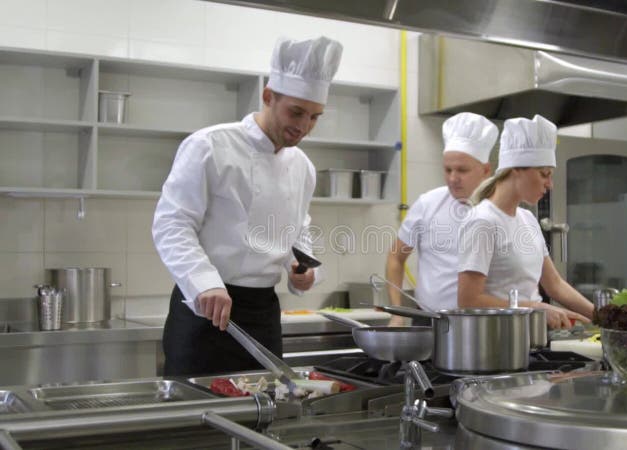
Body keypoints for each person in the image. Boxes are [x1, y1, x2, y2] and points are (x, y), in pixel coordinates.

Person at [152, 36, 343, 376]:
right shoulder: (209, 145)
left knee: (264, 413)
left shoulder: (303, 167)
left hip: (263, 314)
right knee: (196, 419)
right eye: (296, 112)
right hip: (205, 310)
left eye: (315, 117)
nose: (303, 126)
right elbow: (172, 224)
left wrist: (305, 272)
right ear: (268, 96)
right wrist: (204, 281)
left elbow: (299, 233)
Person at [458, 115, 594, 329]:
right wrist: (534, 309)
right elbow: (468, 301)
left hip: (532, 340)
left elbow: (555, 285)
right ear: (516, 169)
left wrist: (601, 316)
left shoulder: (528, 219)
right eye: (544, 174)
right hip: (496, 343)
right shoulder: (483, 221)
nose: (550, 185)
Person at [385, 113, 498, 326]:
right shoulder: (427, 204)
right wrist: (397, 312)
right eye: (448, 169)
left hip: (483, 325)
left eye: (462, 170)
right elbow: (395, 257)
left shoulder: (499, 210)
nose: (453, 178)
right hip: (430, 322)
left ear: (485, 170)